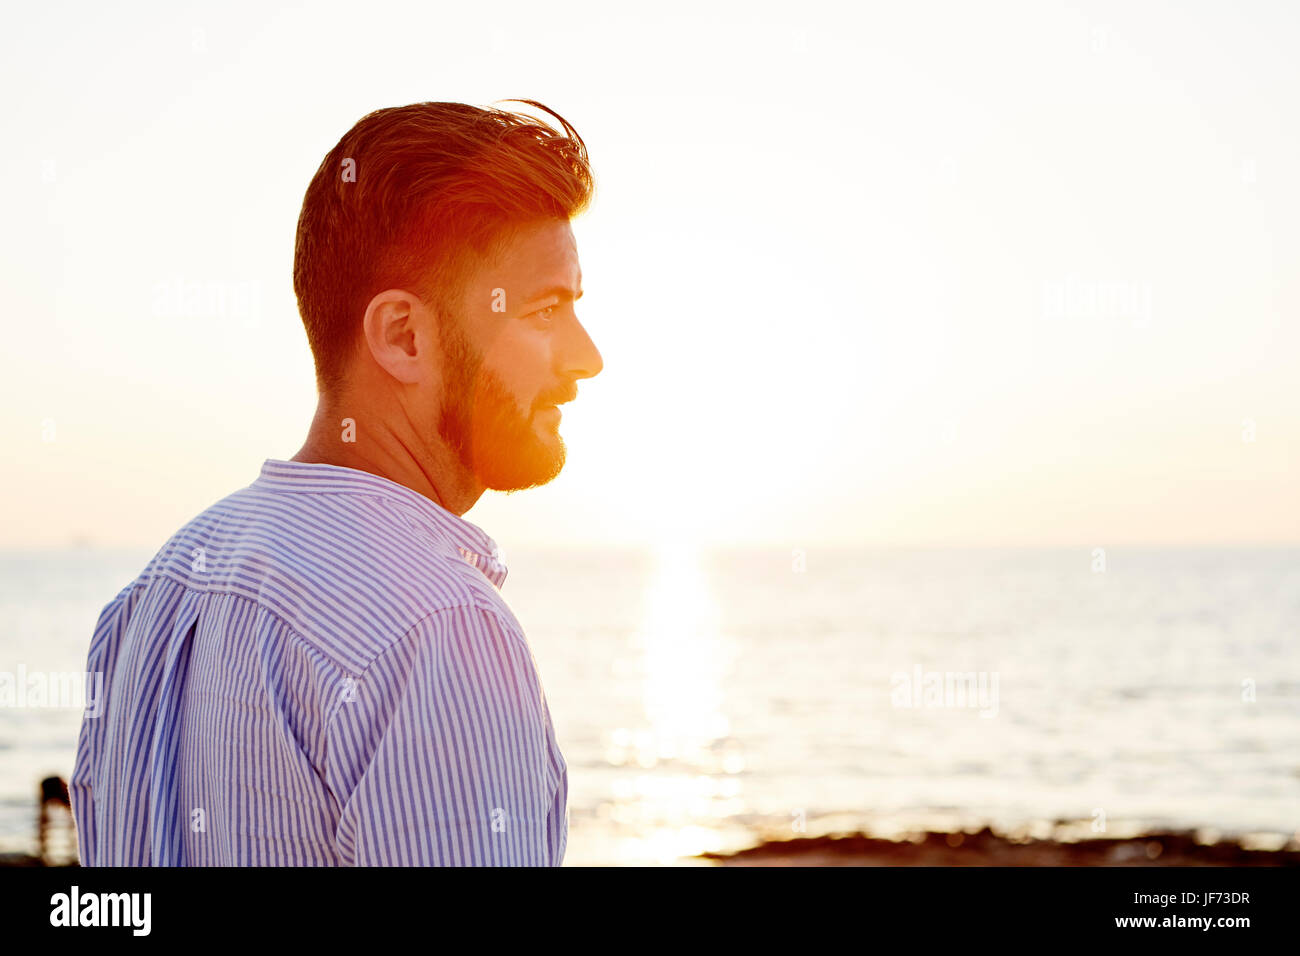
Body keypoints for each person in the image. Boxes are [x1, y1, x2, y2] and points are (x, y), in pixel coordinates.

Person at [69, 100, 603, 866]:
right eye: (546, 311)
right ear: (403, 336)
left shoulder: (152, 599)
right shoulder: (437, 629)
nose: (587, 357)